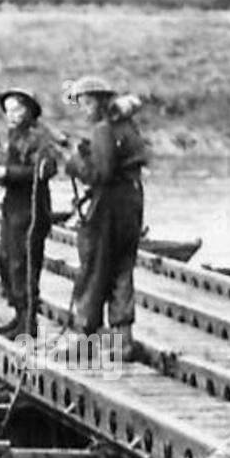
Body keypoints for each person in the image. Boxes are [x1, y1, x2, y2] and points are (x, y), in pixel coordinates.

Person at [64, 76, 149, 362]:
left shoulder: (102, 129)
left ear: (100, 101)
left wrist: (76, 162)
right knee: (122, 270)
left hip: (107, 208)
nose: (84, 109)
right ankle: (123, 341)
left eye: (87, 103)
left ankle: (85, 339)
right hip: (132, 203)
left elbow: (100, 174)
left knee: (94, 268)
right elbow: (122, 159)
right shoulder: (126, 125)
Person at [0, 87, 62, 340]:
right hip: (13, 205)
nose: (11, 115)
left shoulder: (40, 138)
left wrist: (8, 174)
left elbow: (44, 172)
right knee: (7, 260)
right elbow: (5, 162)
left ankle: (28, 323)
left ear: (29, 110)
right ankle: (19, 315)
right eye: (7, 110)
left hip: (32, 208)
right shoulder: (13, 135)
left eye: (16, 109)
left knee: (25, 264)